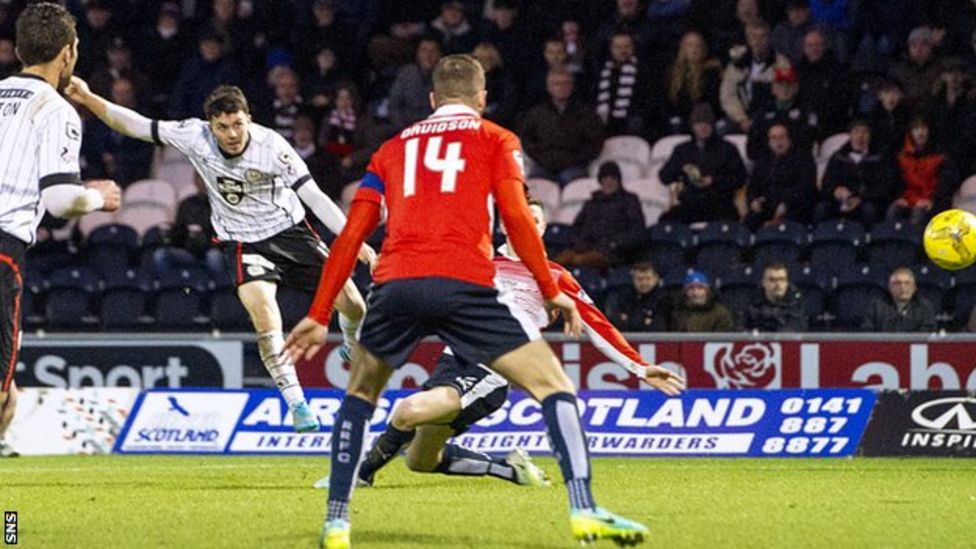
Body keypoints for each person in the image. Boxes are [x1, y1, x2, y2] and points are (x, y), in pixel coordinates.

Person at [284, 54, 683, 548]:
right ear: (482, 99)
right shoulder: (496, 139)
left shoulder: (389, 150)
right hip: (466, 283)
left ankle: (337, 524)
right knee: (555, 388)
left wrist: (319, 312)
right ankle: (585, 510)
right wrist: (551, 286)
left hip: (395, 283)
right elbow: (516, 217)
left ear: (430, 100)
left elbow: (351, 235)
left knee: (360, 398)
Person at [66, 79, 374, 435]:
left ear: (249, 119)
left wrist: (352, 240)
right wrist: (89, 98)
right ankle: (298, 405)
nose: (231, 134)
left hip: (291, 233)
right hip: (243, 241)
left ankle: (350, 341)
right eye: (223, 127)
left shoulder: (272, 146)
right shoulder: (194, 136)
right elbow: (136, 125)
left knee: (353, 304)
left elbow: (317, 198)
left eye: (238, 124)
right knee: (265, 318)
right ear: (211, 126)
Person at [352, 197, 670, 488]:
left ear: (543, 229)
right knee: (420, 461)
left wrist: (639, 367)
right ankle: (511, 469)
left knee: (408, 409)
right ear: (506, 224)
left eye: (536, 220)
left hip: (490, 369)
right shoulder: (478, 260)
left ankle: (358, 476)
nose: (528, 223)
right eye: (522, 217)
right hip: (451, 361)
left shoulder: (553, 275)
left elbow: (597, 324)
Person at [0, 2, 121, 457]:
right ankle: (7, 526)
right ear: (68, 54)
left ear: (18, 50)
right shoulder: (54, 110)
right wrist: (98, 197)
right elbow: (59, 200)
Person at [659, 102, 748, 223]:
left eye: (707, 123)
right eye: (699, 123)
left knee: (727, 223)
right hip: (690, 204)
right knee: (666, 222)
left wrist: (714, 181)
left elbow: (740, 177)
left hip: (719, 204)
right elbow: (664, 177)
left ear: (712, 125)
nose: (703, 127)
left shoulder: (727, 148)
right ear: (692, 126)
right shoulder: (682, 150)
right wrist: (680, 167)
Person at [519, 67, 605, 186]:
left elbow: (595, 142)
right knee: (533, 187)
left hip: (574, 166)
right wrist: (541, 158)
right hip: (544, 165)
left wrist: (577, 160)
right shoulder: (537, 113)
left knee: (572, 182)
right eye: (556, 84)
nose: (561, 87)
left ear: (572, 86)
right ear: (548, 87)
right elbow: (526, 138)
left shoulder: (586, 113)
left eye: (565, 83)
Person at [555, 161, 645, 269]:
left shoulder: (629, 201)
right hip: (583, 248)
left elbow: (637, 231)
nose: (608, 182)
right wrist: (579, 242)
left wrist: (614, 244)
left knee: (579, 261)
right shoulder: (591, 202)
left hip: (610, 253)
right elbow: (576, 227)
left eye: (612, 179)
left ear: (619, 181)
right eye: (605, 179)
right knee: (556, 265)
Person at [815, 119, 896, 227]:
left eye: (864, 132)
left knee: (869, 210)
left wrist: (861, 198)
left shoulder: (879, 158)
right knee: (822, 208)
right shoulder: (838, 157)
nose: (860, 136)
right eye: (857, 132)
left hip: (867, 200)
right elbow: (827, 182)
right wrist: (835, 191)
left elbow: (884, 186)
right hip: (841, 200)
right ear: (850, 135)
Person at [745, 123, 818, 229]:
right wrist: (752, 200)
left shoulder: (803, 159)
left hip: (796, 206)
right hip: (768, 206)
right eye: (774, 138)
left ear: (789, 139)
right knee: (749, 223)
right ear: (769, 142)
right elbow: (753, 186)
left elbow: (806, 186)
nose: (778, 142)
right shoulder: (763, 161)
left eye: (782, 137)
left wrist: (786, 203)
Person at [888, 116, 946, 225]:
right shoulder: (901, 156)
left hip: (930, 199)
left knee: (918, 214)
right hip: (907, 198)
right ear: (911, 132)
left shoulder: (940, 156)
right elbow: (896, 180)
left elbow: (945, 184)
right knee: (893, 211)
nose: (920, 132)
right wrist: (899, 197)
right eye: (916, 129)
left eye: (923, 128)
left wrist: (932, 201)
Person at [862, 267, 937, 332]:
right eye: (898, 283)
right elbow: (867, 333)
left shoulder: (925, 307)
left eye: (907, 283)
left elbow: (927, 334)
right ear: (890, 287)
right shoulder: (876, 306)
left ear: (914, 287)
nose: (902, 287)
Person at [603, 261, 671, 331]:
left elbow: (659, 326)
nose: (644, 283)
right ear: (633, 280)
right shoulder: (624, 297)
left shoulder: (664, 298)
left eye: (648, 279)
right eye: (639, 279)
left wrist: (629, 319)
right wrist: (645, 320)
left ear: (656, 279)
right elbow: (618, 324)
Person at [739, 263, 808, 332]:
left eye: (782, 279)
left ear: (787, 283)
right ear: (763, 282)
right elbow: (741, 330)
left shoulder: (796, 303)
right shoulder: (752, 302)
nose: (778, 284)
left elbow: (794, 329)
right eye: (772, 280)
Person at [670, 270, 735, 332]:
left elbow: (723, 340)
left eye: (700, 288)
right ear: (685, 292)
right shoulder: (677, 312)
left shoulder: (721, 313)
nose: (696, 293)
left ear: (708, 291)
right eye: (691, 289)